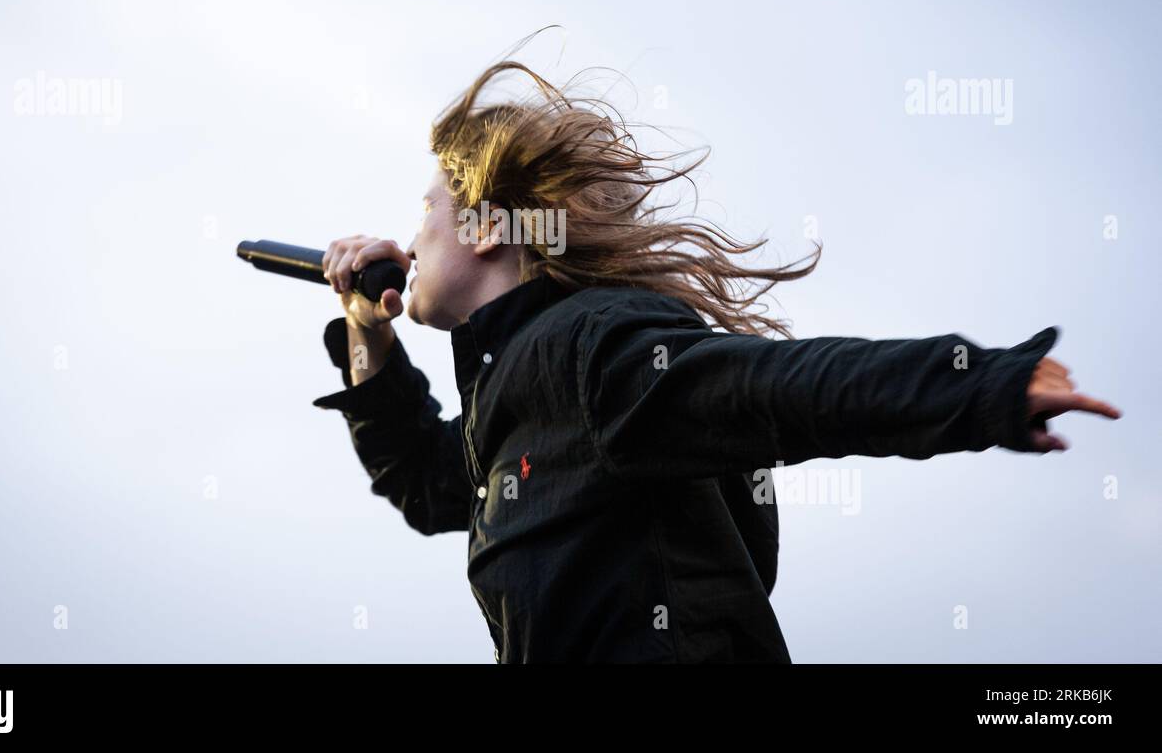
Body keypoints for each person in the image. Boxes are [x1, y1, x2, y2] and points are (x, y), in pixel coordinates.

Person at [311, 58, 1121, 663]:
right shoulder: (515, 401)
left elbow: (774, 389)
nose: (411, 235)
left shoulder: (588, 349)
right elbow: (424, 483)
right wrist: (367, 335)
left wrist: (980, 384)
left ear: (489, 229)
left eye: (428, 210)